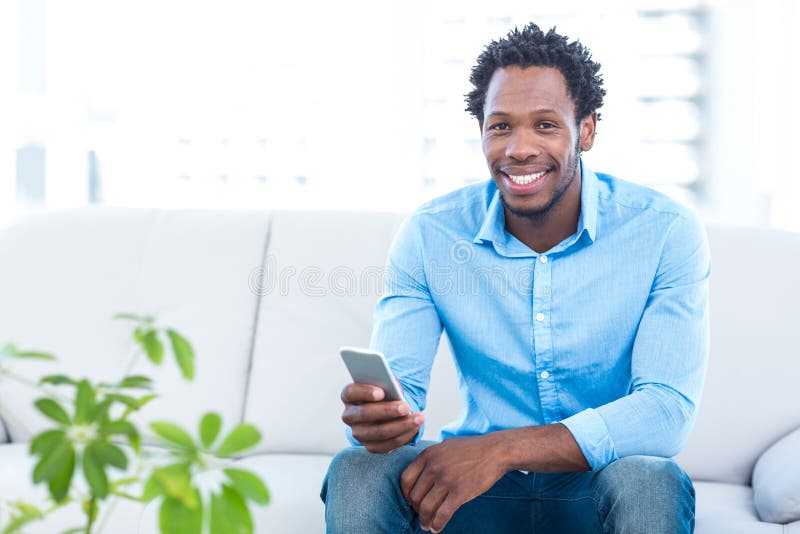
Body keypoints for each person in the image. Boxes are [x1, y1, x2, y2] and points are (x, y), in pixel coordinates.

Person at [321, 22, 709, 534]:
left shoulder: (665, 232)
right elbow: (404, 393)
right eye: (500, 126)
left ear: (587, 129)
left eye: (545, 125)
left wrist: (500, 449)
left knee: (648, 480)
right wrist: (382, 421)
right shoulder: (431, 234)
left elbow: (665, 412)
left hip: (593, 486)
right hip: (472, 494)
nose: (519, 148)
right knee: (358, 471)